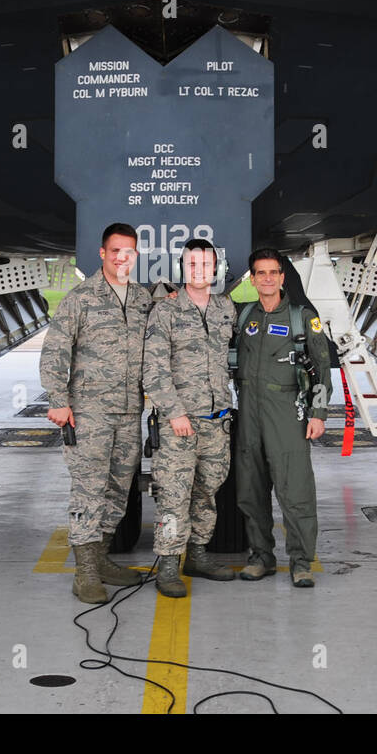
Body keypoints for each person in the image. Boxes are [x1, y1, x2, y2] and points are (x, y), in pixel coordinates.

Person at [40, 222, 153, 604]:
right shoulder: (81, 298)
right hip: (88, 414)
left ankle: (101, 560)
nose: (123, 257)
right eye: (116, 250)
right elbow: (56, 350)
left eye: (130, 252)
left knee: (118, 491)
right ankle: (85, 574)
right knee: (88, 492)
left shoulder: (141, 299)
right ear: (102, 254)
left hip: (127, 413)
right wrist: (57, 399)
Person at [141, 239, 237, 598]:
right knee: (173, 495)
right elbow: (153, 368)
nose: (200, 270)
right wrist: (175, 412)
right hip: (179, 424)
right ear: (184, 268)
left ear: (216, 268)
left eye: (206, 264)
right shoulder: (166, 311)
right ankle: (168, 565)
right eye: (192, 264)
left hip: (216, 422)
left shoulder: (225, 309)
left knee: (206, 493)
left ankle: (197, 555)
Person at [231, 248, 331, 587]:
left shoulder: (303, 317)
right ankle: (261, 556)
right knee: (250, 491)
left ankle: (301, 561)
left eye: (273, 272)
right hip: (249, 414)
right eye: (261, 273)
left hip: (288, 413)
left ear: (282, 277)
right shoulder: (244, 317)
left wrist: (318, 413)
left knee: (296, 491)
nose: (268, 279)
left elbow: (321, 369)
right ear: (253, 278)